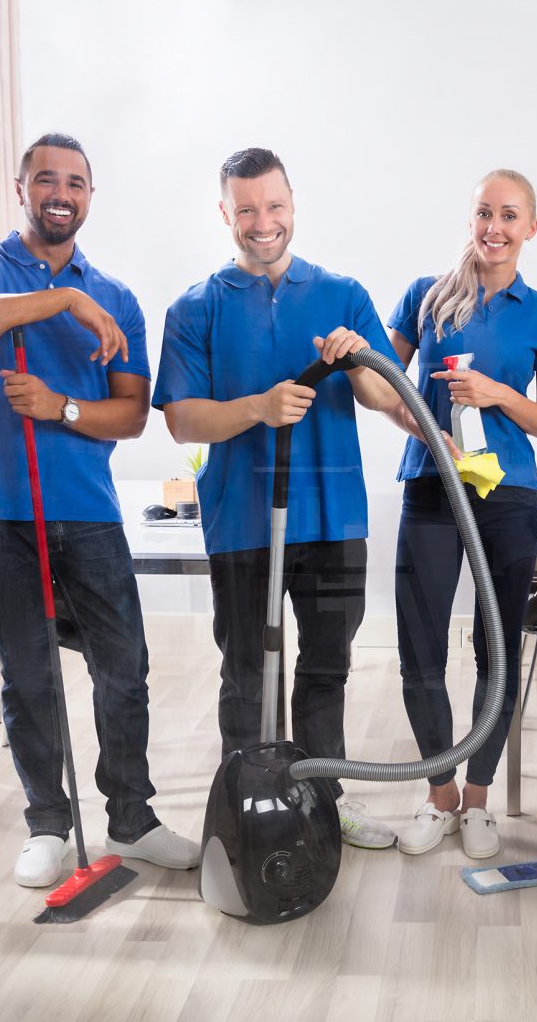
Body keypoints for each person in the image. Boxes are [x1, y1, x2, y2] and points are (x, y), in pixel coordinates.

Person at [152, 147, 401, 851]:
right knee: (246, 674)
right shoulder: (195, 308)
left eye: (275, 206)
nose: (264, 223)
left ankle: (324, 803)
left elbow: (387, 397)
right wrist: (258, 408)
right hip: (241, 522)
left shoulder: (342, 294)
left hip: (332, 521)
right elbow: (181, 419)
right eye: (248, 209)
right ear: (226, 214)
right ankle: (248, 811)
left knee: (326, 666)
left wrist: (359, 361)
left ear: (293, 205)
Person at [0, 133, 199, 887]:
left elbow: (132, 415)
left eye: (74, 181)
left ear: (90, 197)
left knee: (124, 667)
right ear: (21, 189)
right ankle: (46, 824)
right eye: (46, 180)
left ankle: (131, 819)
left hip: (88, 510)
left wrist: (61, 407)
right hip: (0, 511)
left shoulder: (121, 299)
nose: (59, 192)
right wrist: (63, 298)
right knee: (28, 674)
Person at [387, 169, 537, 859]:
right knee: (419, 647)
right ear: (472, 219)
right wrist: (422, 425)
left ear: (530, 228)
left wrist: (493, 393)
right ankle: (439, 795)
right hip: (434, 486)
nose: (495, 226)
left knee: (495, 650)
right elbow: (381, 381)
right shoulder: (426, 297)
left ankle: (479, 800)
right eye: (484, 213)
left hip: (508, 494)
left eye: (510, 215)